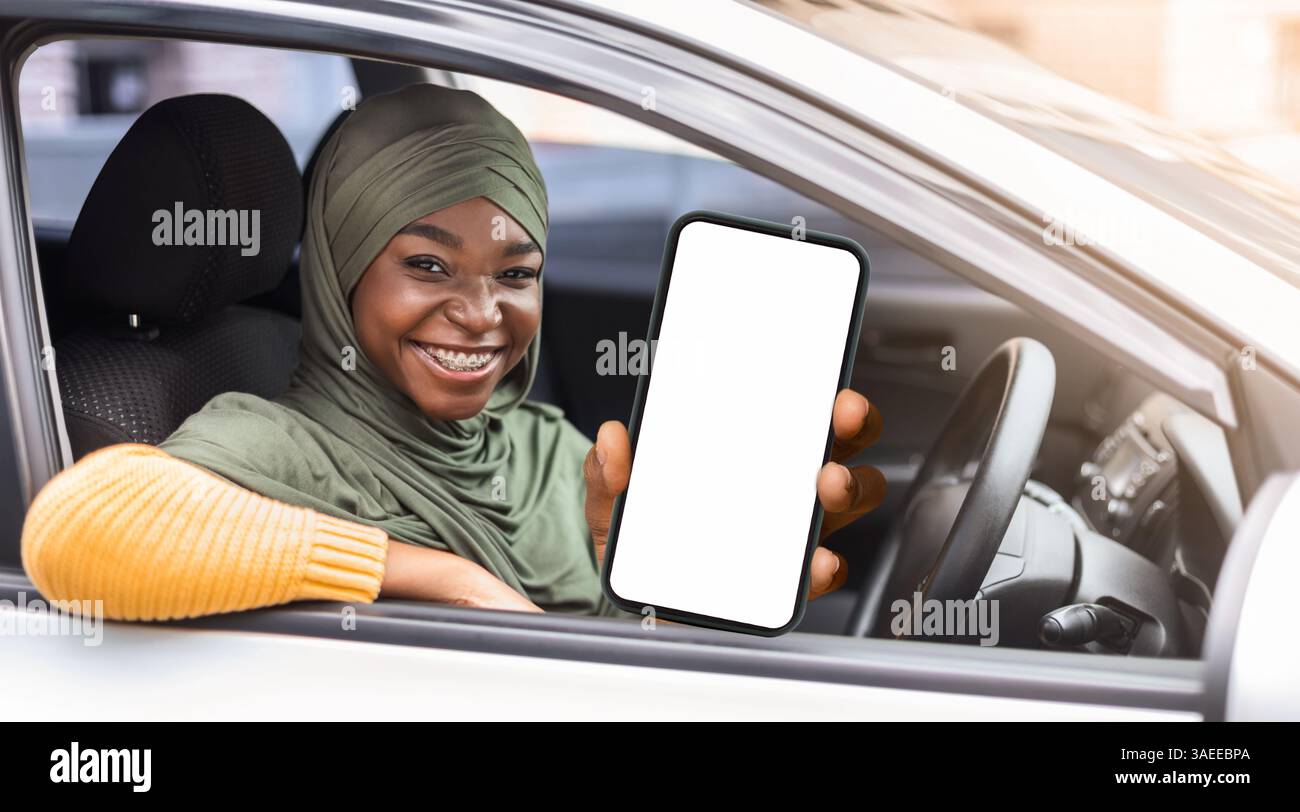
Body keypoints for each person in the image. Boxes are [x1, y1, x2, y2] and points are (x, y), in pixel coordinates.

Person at [21, 83, 886, 622]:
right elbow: (78, 534)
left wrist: (678, 606)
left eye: (516, 272)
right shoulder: (275, 440)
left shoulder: (546, 446)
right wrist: (446, 583)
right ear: (340, 268)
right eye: (427, 265)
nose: (481, 314)